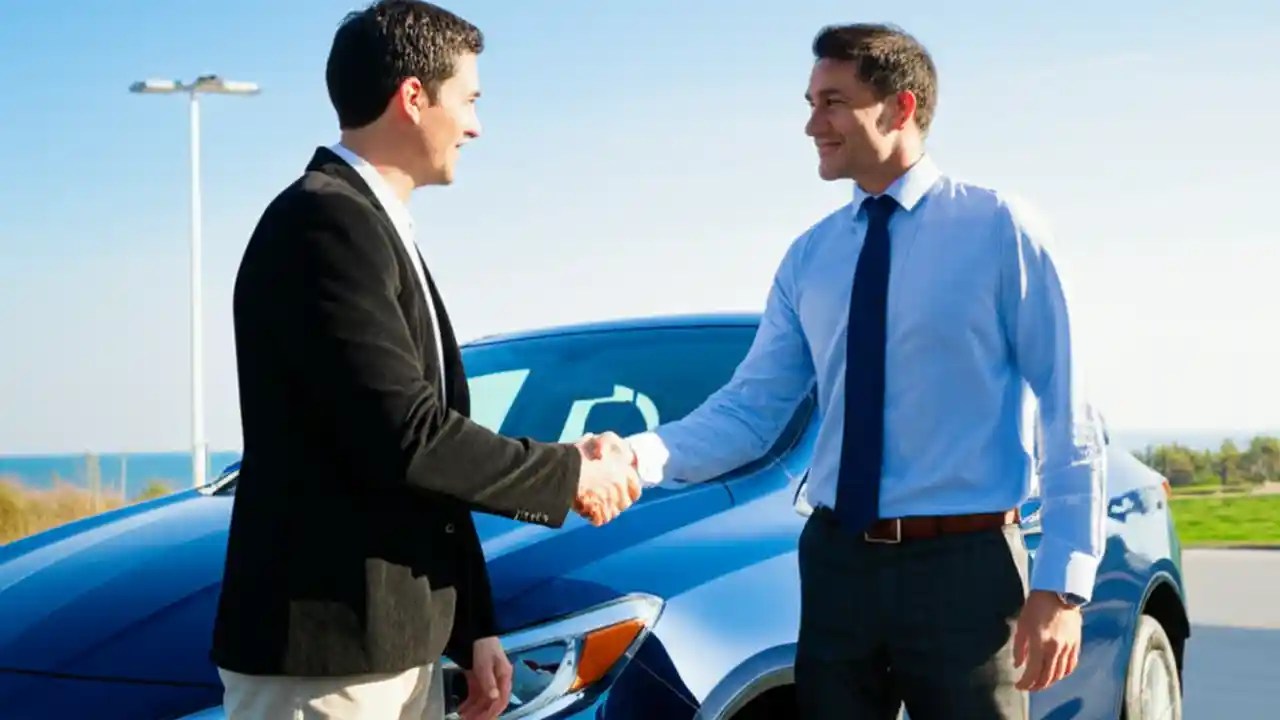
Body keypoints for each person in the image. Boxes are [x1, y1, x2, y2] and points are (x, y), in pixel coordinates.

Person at [586, 21, 1106, 720]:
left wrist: (1063, 586)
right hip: (837, 567)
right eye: (810, 102)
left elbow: (1067, 406)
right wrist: (634, 455)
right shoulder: (810, 257)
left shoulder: (999, 229)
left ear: (900, 108)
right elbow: (750, 410)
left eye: (831, 102)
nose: (810, 125)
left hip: (967, 571)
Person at [210, 2, 640, 719]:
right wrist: (572, 474)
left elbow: (420, 461)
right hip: (331, 663)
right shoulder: (325, 223)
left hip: (395, 655)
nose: (475, 125)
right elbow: (410, 438)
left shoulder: (369, 223)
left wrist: (472, 627)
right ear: (413, 97)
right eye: (469, 100)